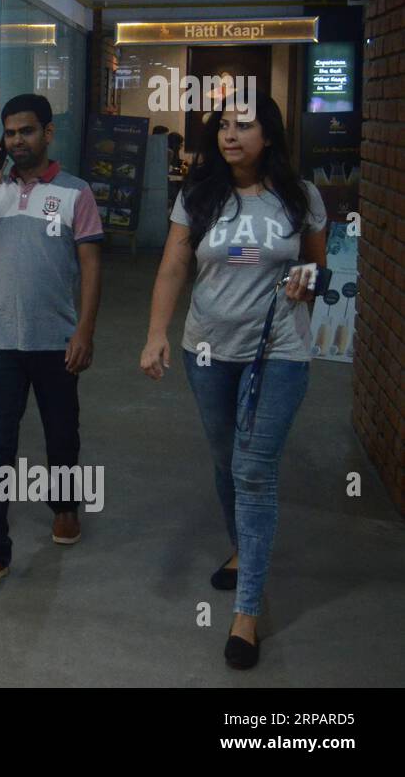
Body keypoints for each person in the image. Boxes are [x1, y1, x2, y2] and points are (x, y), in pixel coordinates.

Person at [139, 94, 326, 670]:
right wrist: (156, 333)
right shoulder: (198, 195)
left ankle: (246, 614)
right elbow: (173, 265)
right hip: (208, 351)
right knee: (226, 458)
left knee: (254, 469)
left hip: (280, 352)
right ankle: (244, 550)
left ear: (268, 134)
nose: (230, 134)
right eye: (223, 124)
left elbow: (320, 270)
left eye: (244, 125)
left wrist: (306, 284)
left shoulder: (301, 197)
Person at [0, 93, 104, 592]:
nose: (18, 140)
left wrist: (85, 330)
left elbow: (91, 267)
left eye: (27, 131)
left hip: (56, 340)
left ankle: (64, 507)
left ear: (48, 133)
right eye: (10, 133)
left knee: (62, 434)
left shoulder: (76, 192)